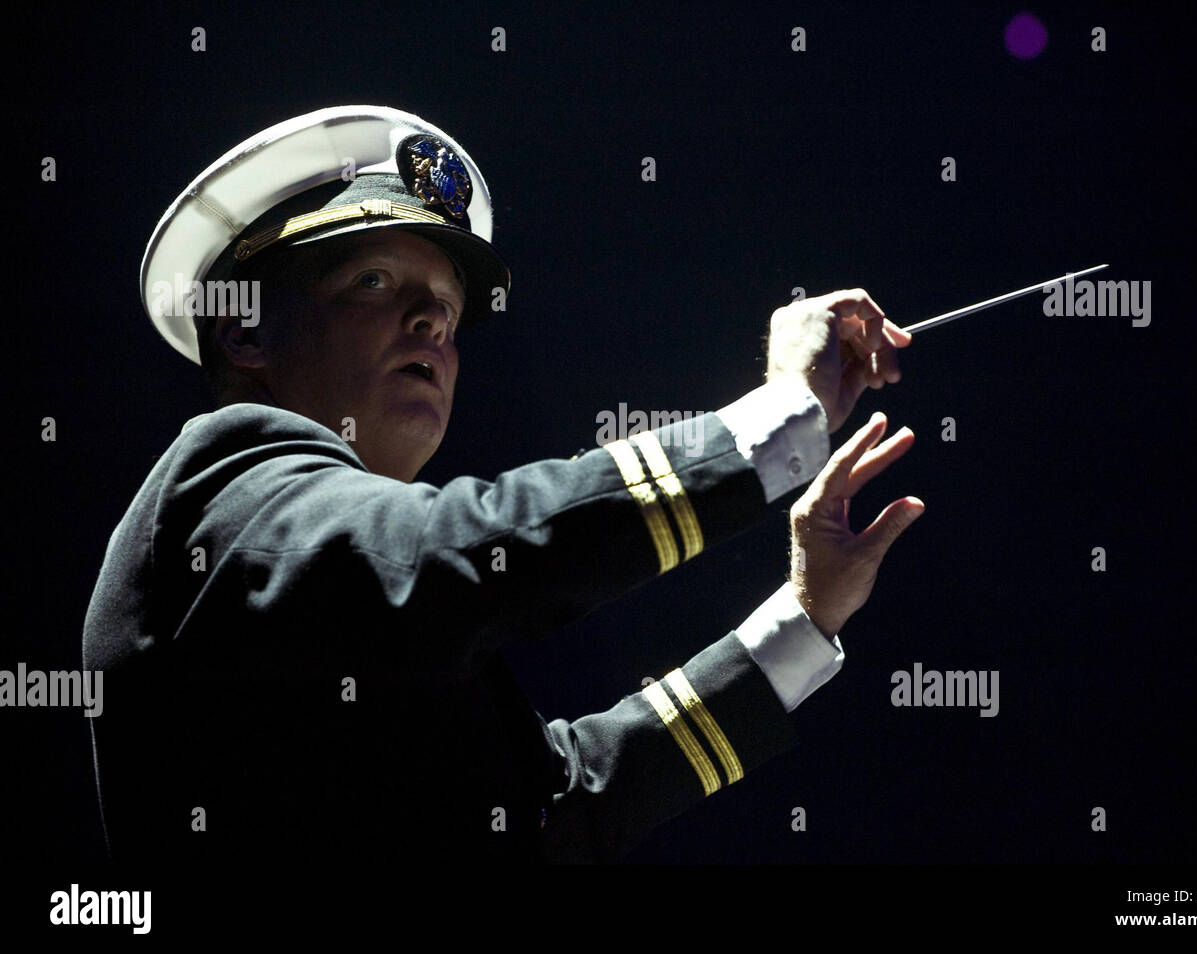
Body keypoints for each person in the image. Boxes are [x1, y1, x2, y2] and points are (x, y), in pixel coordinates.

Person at [82, 106, 923, 867]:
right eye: (375, 282)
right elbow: (459, 551)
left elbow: (566, 805)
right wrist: (775, 416)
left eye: (446, 309)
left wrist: (807, 614)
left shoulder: (363, 609)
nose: (433, 323)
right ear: (246, 331)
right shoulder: (222, 478)